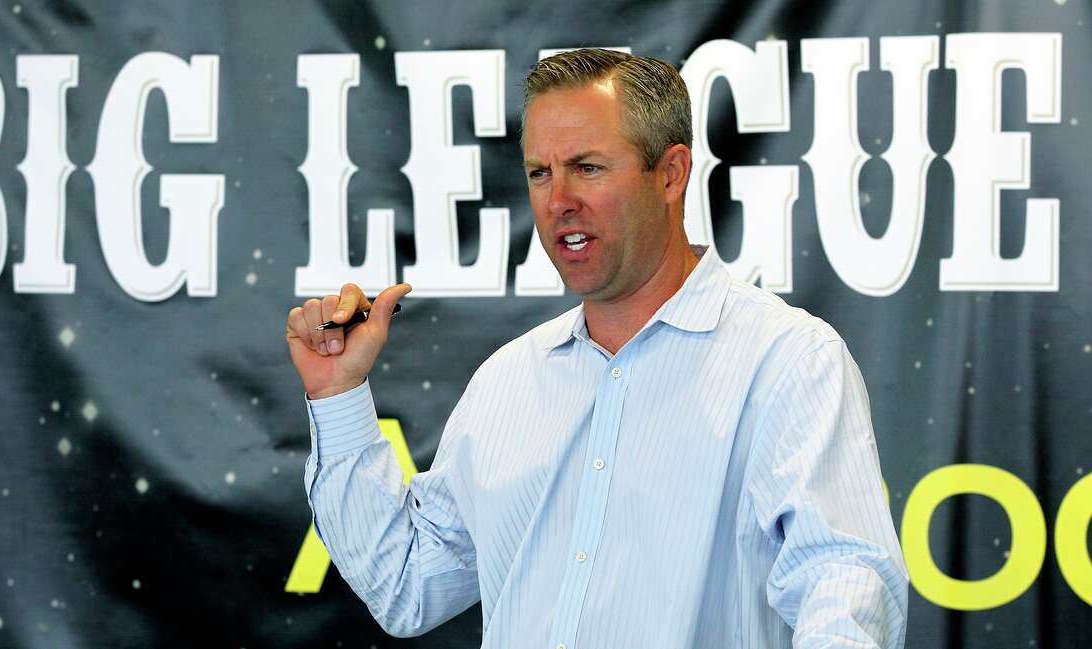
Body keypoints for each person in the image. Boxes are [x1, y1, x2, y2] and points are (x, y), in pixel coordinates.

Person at [286, 48, 908, 648]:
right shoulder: (508, 381)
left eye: (587, 167)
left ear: (670, 174)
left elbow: (846, 583)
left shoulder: (787, 362)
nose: (558, 201)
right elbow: (407, 587)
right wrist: (337, 396)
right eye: (539, 173)